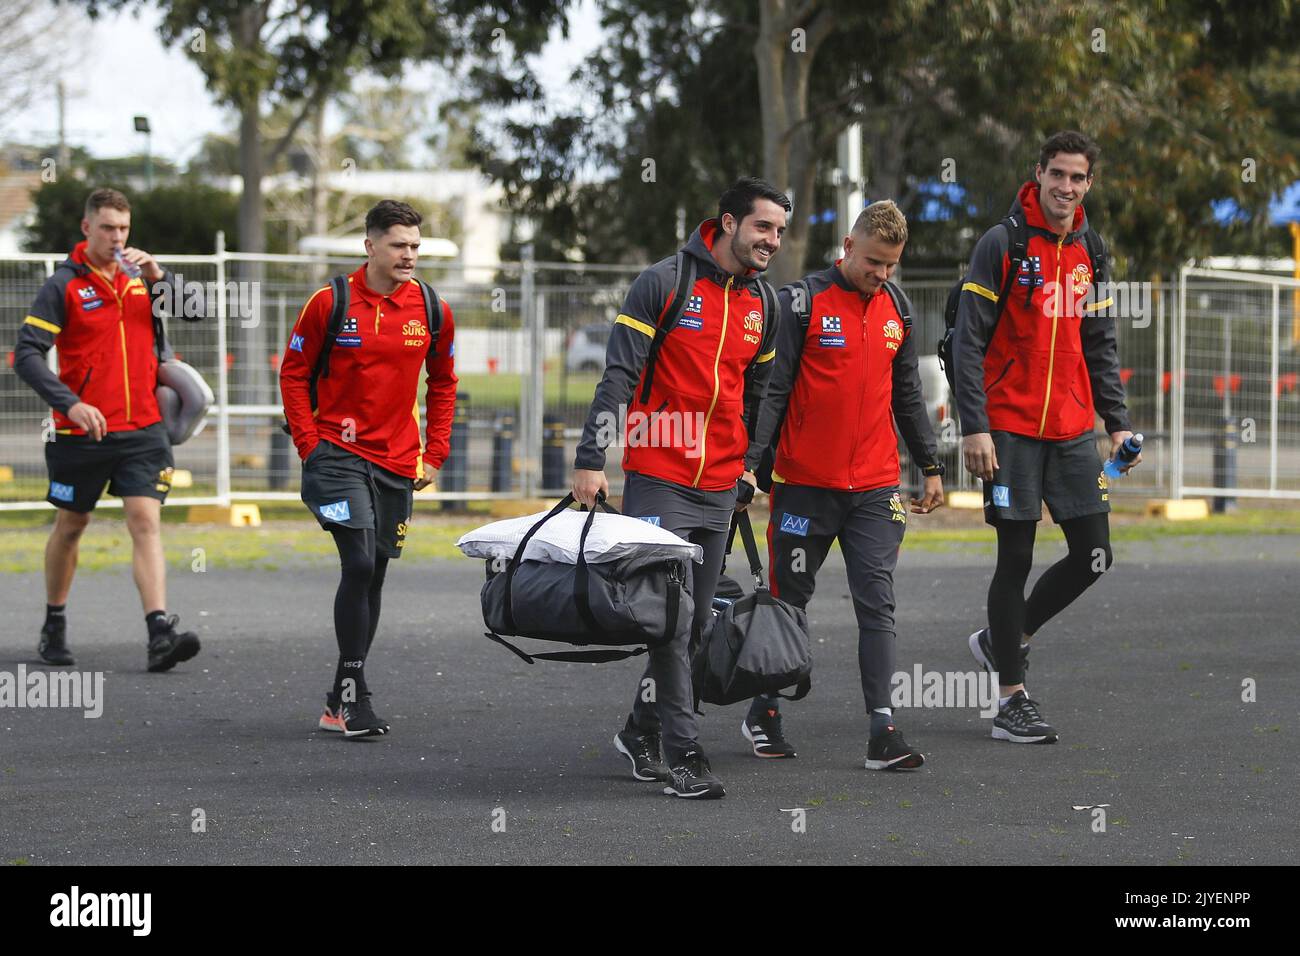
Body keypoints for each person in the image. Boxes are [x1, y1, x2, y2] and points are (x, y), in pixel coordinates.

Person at [573, 177, 788, 799]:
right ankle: (684, 753)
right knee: (673, 619)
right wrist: (593, 458)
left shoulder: (764, 305)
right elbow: (618, 376)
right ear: (727, 223)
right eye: (761, 227)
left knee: (692, 628)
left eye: (778, 231)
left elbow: (761, 395)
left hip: (721, 485)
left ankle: (639, 730)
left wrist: (751, 464)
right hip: (659, 478)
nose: (771, 240)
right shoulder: (664, 282)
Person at [952, 130, 1138, 744]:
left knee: (1095, 555)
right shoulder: (1001, 243)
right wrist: (975, 426)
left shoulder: (1093, 250)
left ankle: (1002, 640)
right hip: (1007, 428)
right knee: (1017, 557)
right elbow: (968, 342)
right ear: (1038, 174)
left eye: (1078, 178)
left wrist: (1118, 423)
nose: (1066, 187)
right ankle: (1011, 698)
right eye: (1057, 174)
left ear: (1089, 184)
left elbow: (1100, 342)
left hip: (1073, 428)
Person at [748, 200, 944, 769]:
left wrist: (929, 465)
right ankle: (763, 710)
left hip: (877, 488)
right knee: (790, 603)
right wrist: (751, 464)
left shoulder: (897, 310)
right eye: (874, 262)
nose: (881, 274)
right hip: (805, 486)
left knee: (876, 604)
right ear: (848, 246)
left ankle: (883, 731)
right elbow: (773, 390)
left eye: (891, 265)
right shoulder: (801, 304)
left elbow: (907, 396)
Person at [280, 200, 457, 738]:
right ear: (371, 246)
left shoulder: (432, 308)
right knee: (357, 561)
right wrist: (310, 445)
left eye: (415, 246)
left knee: (374, 570)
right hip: (336, 456)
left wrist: (435, 453)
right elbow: (293, 373)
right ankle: (355, 695)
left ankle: (340, 699)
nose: (409, 255)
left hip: (398, 462)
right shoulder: (328, 302)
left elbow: (444, 382)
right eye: (399, 245)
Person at [14, 187, 204, 672]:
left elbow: (197, 310)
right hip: (82, 433)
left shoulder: (144, 278)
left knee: (145, 520)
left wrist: (161, 276)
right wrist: (70, 404)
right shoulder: (64, 285)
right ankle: (54, 621)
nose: (117, 237)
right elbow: (27, 355)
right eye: (107, 228)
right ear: (86, 229)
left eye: (123, 228)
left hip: (144, 427)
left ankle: (159, 631)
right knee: (72, 525)